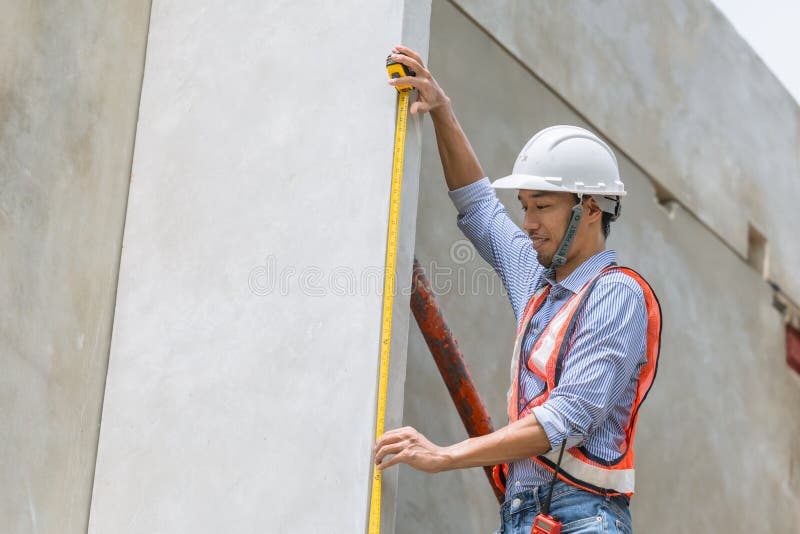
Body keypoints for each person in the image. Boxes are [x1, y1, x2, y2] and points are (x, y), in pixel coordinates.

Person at [374, 46, 661, 534]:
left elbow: (565, 417)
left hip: (584, 518)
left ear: (590, 208)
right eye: (525, 205)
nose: (526, 223)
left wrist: (446, 455)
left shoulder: (616, 295)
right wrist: (442, 111)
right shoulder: (537, 279)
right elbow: (480, 208)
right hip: (527, 516)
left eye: (541, 206)